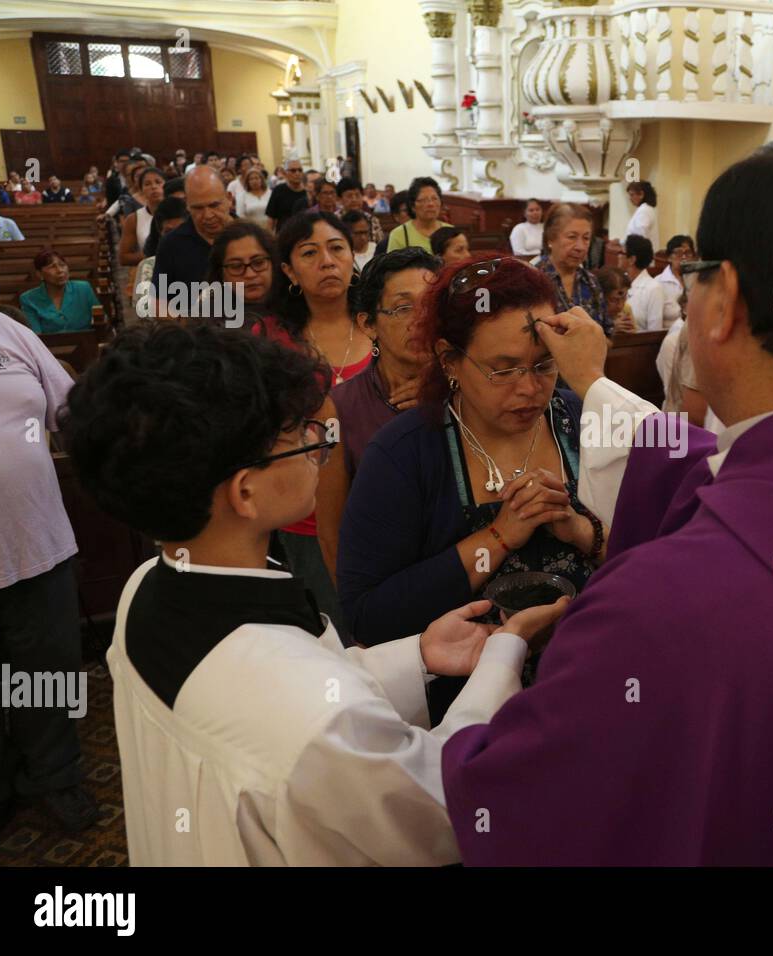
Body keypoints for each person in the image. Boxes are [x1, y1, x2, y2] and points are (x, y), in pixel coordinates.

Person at [437, 135, 773, 865]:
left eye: (694, 274)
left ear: (721, 301)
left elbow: (509, 806)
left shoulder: (663, 602)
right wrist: (596, 387)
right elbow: (718, 472)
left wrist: (497, 670)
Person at [58, 321, 563, 865]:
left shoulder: (147, 587)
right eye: (298, 435)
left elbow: (285, 687)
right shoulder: (312, 721)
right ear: (245, 491)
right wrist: (505, 651)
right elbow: (442, 803)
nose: (314, 448)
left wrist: (416, 657)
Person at [338, 256, 602, 720]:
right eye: (503, 370)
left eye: (544, 365)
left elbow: (652, 555)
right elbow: (369, 616)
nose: (529, 389)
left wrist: (582, 532)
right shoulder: (404, 454)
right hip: (464, 709)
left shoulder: (581, 423)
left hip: (591, 682)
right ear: (449, 359)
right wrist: (498, 538)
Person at [0, 309, 96, 845]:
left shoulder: (5, 330)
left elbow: (75, 412)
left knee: (46, 672)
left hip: (36, 543)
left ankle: (53, 775)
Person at [254, 212, 372, 634]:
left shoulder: (381, 323)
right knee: (340, 627)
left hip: (385, 500)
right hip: (307, 513)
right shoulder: (270, 339)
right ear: (288, 270)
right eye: (310, 252)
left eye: (337, 248)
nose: (327, 261)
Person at [317, 249, 441, 584]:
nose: (421, 320)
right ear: (367, 323)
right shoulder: (339, 407)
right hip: (386, 585)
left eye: (432, 305)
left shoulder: (469, 392)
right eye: (403, 308)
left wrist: (448, 396)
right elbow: (332, 534)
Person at [152, 167, 230, 314]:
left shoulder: (249, 236)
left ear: (229, 198)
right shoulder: (171, 244)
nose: (208, 215)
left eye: (214, 205)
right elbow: (158, 305)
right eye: (198, 208)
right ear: (187, 204)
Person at [536, 203, 609, 333]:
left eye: (586, 238)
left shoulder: (591, 282)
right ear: (551, 238)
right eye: (572, 237)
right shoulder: (533, 279)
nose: (580, 247)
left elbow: (606, 334)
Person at [203, 221, 278, 331]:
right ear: (221, 273)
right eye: (236, 266)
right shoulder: (206, 321)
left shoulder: (301, 306)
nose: (250, 274)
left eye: (258, 263)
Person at [130, 196, 188, 323]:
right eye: (169, 232)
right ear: (160, 233)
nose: (176, 238)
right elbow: (146, 314)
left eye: (181, 230)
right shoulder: (148, 266)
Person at [19, 251, 98, 334]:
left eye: (62, 265)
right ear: (39, 274)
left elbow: (99, 318)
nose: (60, 271)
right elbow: (36, 336)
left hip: (86, 343)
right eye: (52, 267)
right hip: (49, 346)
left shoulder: (83, 288)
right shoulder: (28, 299)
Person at [623, 234, 677, 332]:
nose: (619, 257)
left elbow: (654, 332)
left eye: (622, 253)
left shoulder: (653, 288)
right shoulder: (620, 281)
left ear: (632, 259)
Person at [117, 166, 166, 269]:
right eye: (147, 184)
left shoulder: (179, 213)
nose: (153, 187)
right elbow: (123, 257)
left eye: (158, 182)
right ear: (141, 190)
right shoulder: (134, 219)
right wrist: (154, 255)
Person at [386, 177, 452, 253]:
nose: (430, 204)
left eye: (434, 199)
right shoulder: (399, 235)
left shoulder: (450, 231)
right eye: (423, 200)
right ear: (413, 206)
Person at [265, 159, 309, 231]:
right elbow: (271, 219)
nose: (297, 173)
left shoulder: (308, 191)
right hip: (283, 235)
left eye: (300, 170)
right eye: (293, 170)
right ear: (285, 173)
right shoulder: (278, 190)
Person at [337, 177, 384, 244]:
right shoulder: (334, 220)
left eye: (357, 195)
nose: (354, 199)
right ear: (339, 199)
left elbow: (380, 246)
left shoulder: (372, 220)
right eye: (349, 196)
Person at [657, 233, 695, 302]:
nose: (684, 257)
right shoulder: (658, 283)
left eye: (688, 252)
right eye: (679, 253)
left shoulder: (698, 279)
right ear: (669, 257)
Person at [624, 179, 659, 253]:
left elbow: (640, 237)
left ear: (641, 194)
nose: (630, 198)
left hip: (640, 256)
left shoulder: (644, 211)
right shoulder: (646, 208)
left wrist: (622, 243)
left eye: (632, 195)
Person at [594, 267, 633, 332]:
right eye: (613, 300)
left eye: (624, 298)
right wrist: (610, 328)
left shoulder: (626, 309)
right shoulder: (592, 311)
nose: (620, 306)